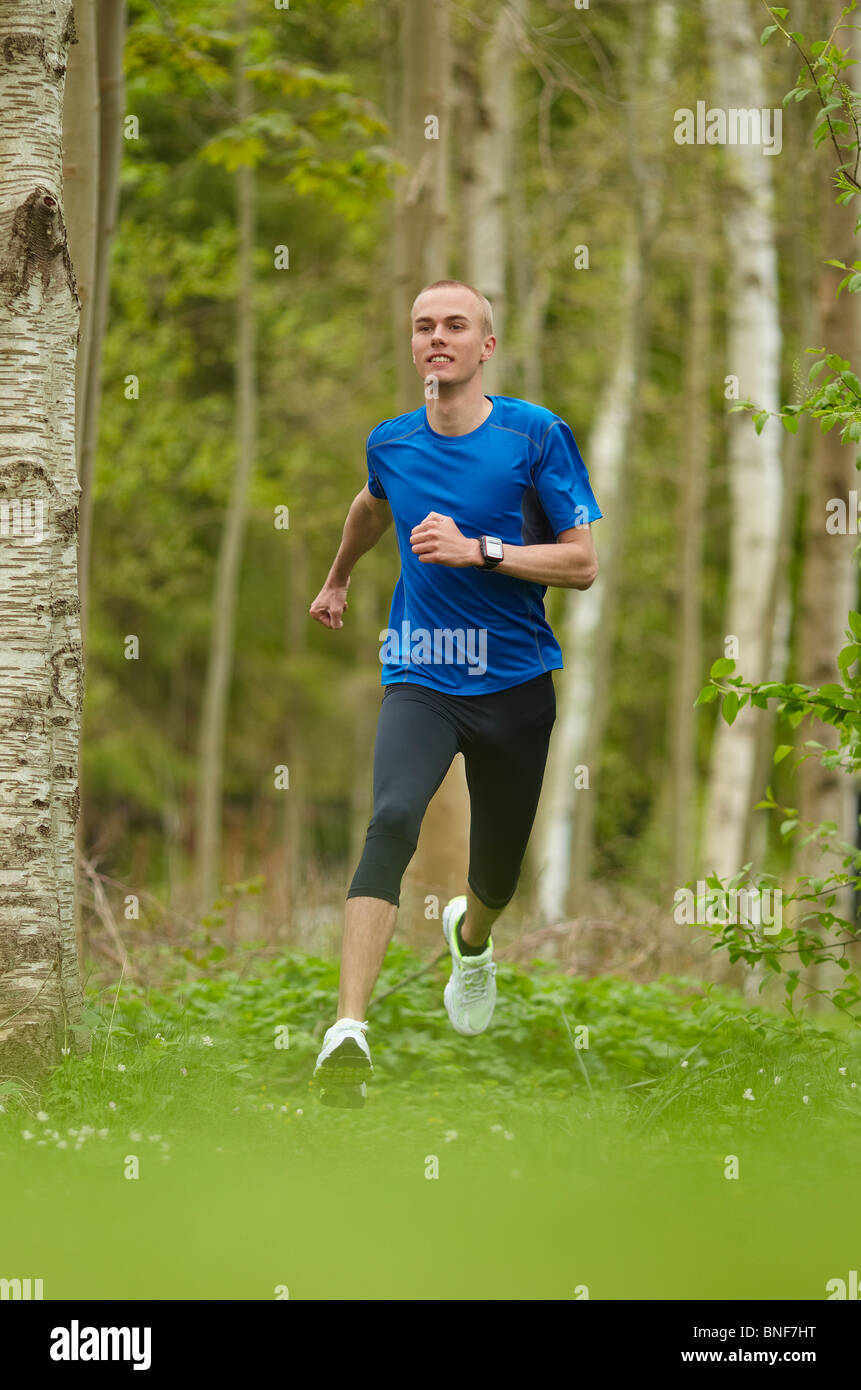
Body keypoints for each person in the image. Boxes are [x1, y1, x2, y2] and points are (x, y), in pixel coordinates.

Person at [308, 279, 601, 1106]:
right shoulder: (391, 443)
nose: (438, 337)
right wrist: (337, 581)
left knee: (496, 875)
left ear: (486, 347)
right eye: (424, 326)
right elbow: (371, 506)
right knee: (392, 818)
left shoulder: (535, 436)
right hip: (421, 670)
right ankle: (348, 1030)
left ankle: (471, 944)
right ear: (413, 346)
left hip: (516, 684)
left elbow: (582, 564)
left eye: (456, 325)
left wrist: (484, 551)